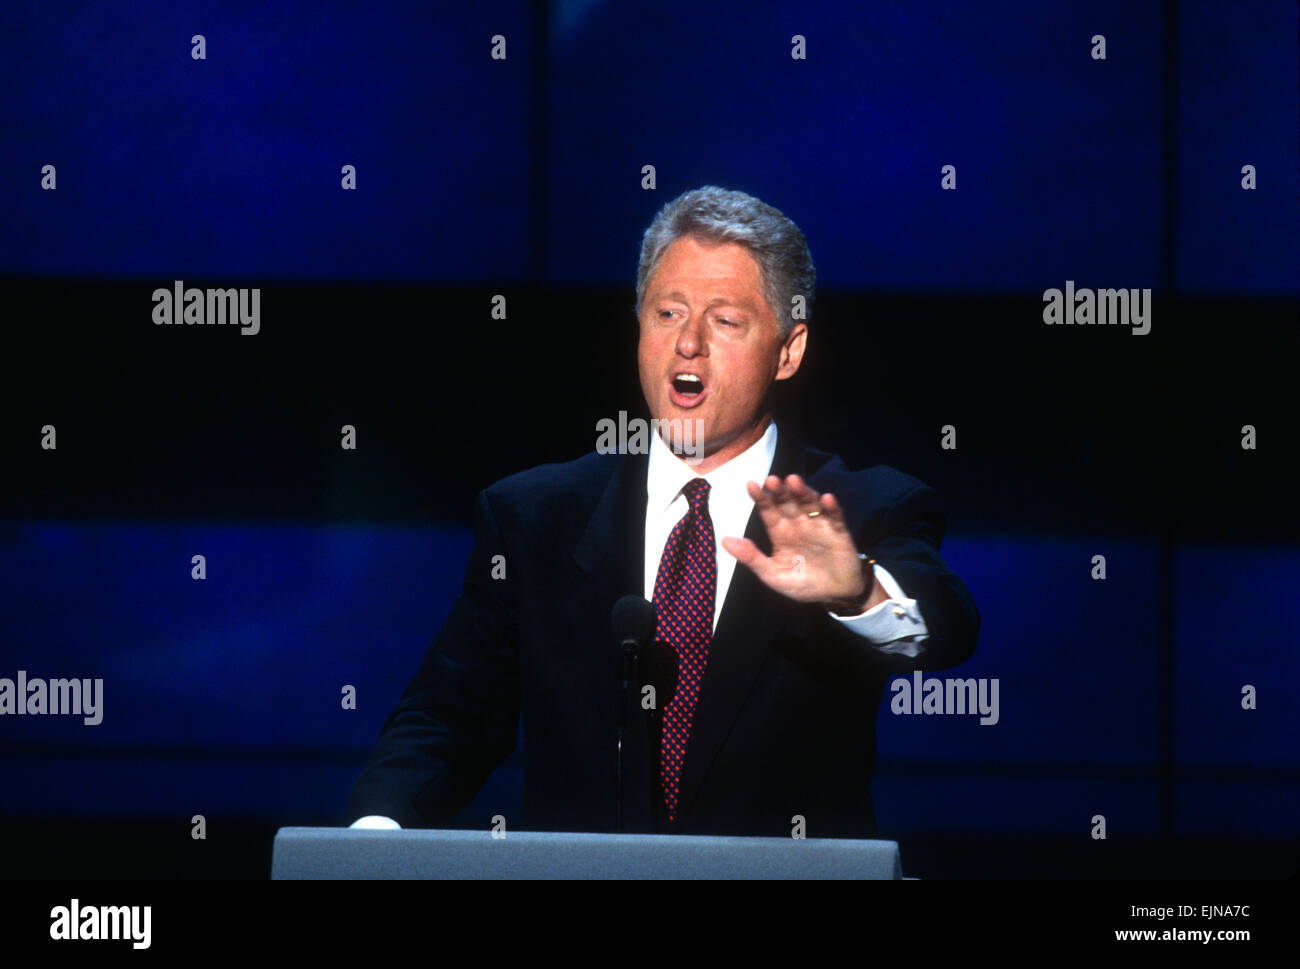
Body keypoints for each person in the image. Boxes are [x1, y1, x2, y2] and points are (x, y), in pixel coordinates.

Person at [347, 186, 979, 838]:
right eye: (667, 313)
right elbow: (449, 716)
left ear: (787, 351)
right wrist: (374, 835)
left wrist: (856, 588)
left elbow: (945, 626)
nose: (689, 344)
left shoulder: (861, 507)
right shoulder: (534, 515)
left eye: (726, 320)